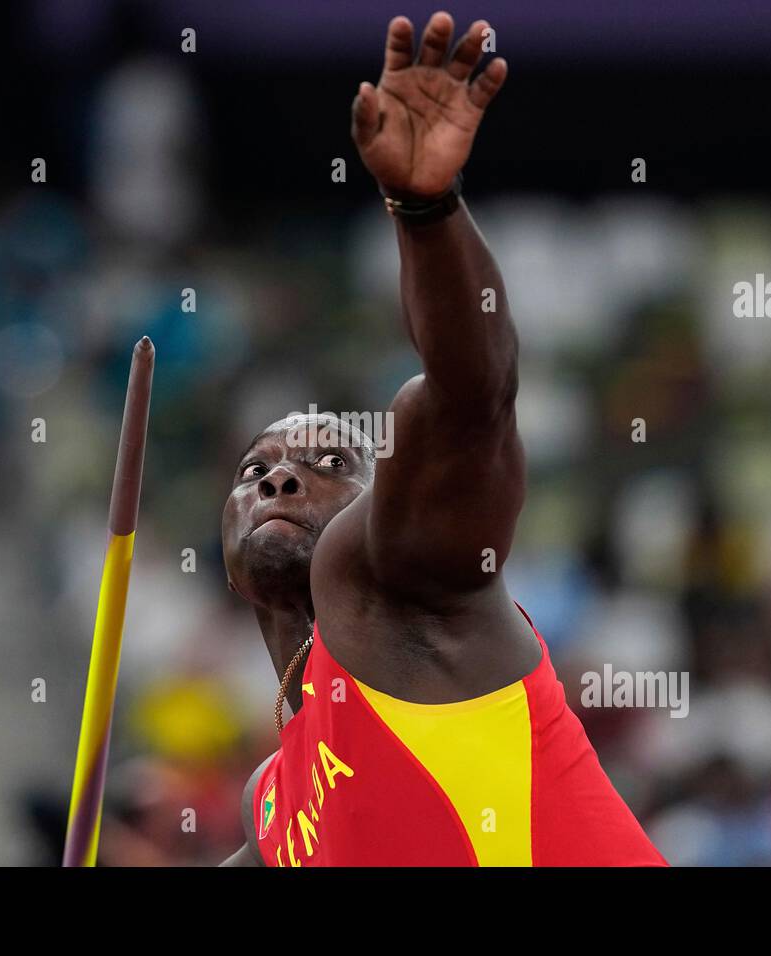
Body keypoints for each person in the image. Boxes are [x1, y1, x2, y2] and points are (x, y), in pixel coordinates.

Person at [219, 12, 666, 867]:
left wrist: (426, 209)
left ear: (388, 500)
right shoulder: (270, 800)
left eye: (327, 466)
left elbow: (475, 397)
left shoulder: (395, 584)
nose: (279, 482)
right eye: (256, 470)